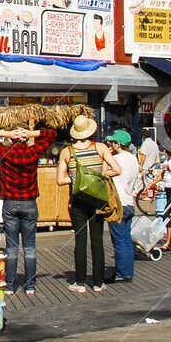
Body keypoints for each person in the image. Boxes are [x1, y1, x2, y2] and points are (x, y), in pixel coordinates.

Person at [0, 125, 56, 295]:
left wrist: (7, 133)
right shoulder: (33, 152)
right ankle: (30, 285)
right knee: (30, 247)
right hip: (29, 202)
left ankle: (9, 285)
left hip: (10, 202)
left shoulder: (4, 152)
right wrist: (31, 133)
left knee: (11, 247)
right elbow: (52, 133)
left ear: (12, 138)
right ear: (24, 138)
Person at [56, 115, 116, 293]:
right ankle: (98, 282)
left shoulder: (67, 152)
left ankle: (80, 282)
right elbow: (117, 170)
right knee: (97, 240)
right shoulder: (100, 148)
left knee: (80, 241)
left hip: (78, 200)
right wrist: (98, 175)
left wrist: (76, 179)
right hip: (97, 198)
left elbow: (60, 180)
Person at [104, 130, 143, 284]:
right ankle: (126, 271)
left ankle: (122, 273)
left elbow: (103, 173)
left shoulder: (116, 159)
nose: (110, 144)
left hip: (117, 202)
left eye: (112, 142)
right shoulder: (133, 159)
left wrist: (105, 156)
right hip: (129, 202)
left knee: (119, 239)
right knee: (125, 239)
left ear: (118, 144)